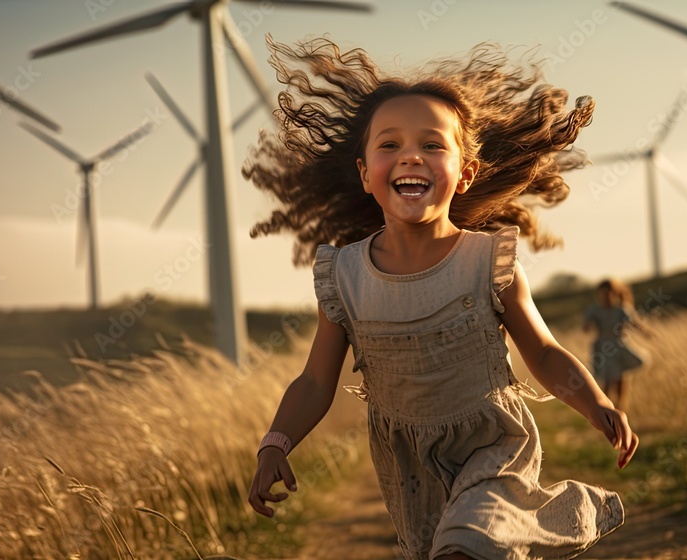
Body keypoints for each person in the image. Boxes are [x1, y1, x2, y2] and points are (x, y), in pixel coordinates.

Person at [245, 36, 637, 560]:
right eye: (390, 145)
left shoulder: (489, 262)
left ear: (465, 173)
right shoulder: (342, 276)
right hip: (407, 468)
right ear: (365, 174)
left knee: (466, 545)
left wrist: (596, 401)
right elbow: (317, 380)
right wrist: (276, 442)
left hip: (493, 448)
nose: (411, 155)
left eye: (432, 145)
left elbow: (541, 351)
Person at [583, 279, 649, 411]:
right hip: (603, 348)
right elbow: (586, 326)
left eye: (608, 293)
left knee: (620, 377)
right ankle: (605, 408)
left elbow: (634, 323)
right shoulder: (595, 310)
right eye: (602, 294)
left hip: (619, 346)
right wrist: (588, 325)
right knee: (607, 379)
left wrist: (646, 332)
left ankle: (620, 407)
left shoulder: (621, 309)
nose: (605, 297)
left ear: (614, 294)